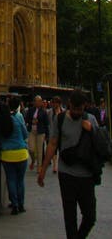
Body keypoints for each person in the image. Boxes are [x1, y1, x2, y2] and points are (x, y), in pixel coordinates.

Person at [38, 89, 100, 239]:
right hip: (66, 174)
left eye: (80, 109)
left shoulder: (90, 119)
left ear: (84, 106)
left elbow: (101, 144)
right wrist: (43, 169)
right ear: (69, 104)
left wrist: (91, 130)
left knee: (90, 217)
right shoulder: (60, 119)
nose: (77, 112)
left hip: (86, 174)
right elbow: (52, 144)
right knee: (70, 216)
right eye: (74, 109)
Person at [0, 96, 29, 215]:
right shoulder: (16, 119)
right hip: (22, 154)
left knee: (11, 180)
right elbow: (25, 134)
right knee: (20, 180)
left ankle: (15, 205)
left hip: (7, 155)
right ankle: (21, 204)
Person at [25, 94, 49, 169]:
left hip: (40, 132)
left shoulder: (44, 112)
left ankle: (39, 166)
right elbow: (26, 119)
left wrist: (47, 135)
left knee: (39, 150)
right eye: (37, 101)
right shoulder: (30, 110)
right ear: (34, 102)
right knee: (31, 148)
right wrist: (32, 121)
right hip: (32, 131)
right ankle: (33, 160)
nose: (38, 102)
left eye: (40, 101)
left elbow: (46, 123)